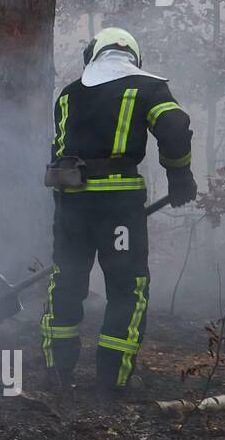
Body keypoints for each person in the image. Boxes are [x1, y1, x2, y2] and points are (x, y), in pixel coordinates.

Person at [41, 27, 197, 402]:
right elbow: (175, 126)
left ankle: (56, 374)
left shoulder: (69, 94)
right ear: (134, 57)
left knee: (66, 282)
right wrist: (179, 175)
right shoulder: (148, 88)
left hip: (71, 204)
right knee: (126, 289)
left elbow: (60, 151)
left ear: (92, 56)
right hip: (118, 208)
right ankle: (111, 382)